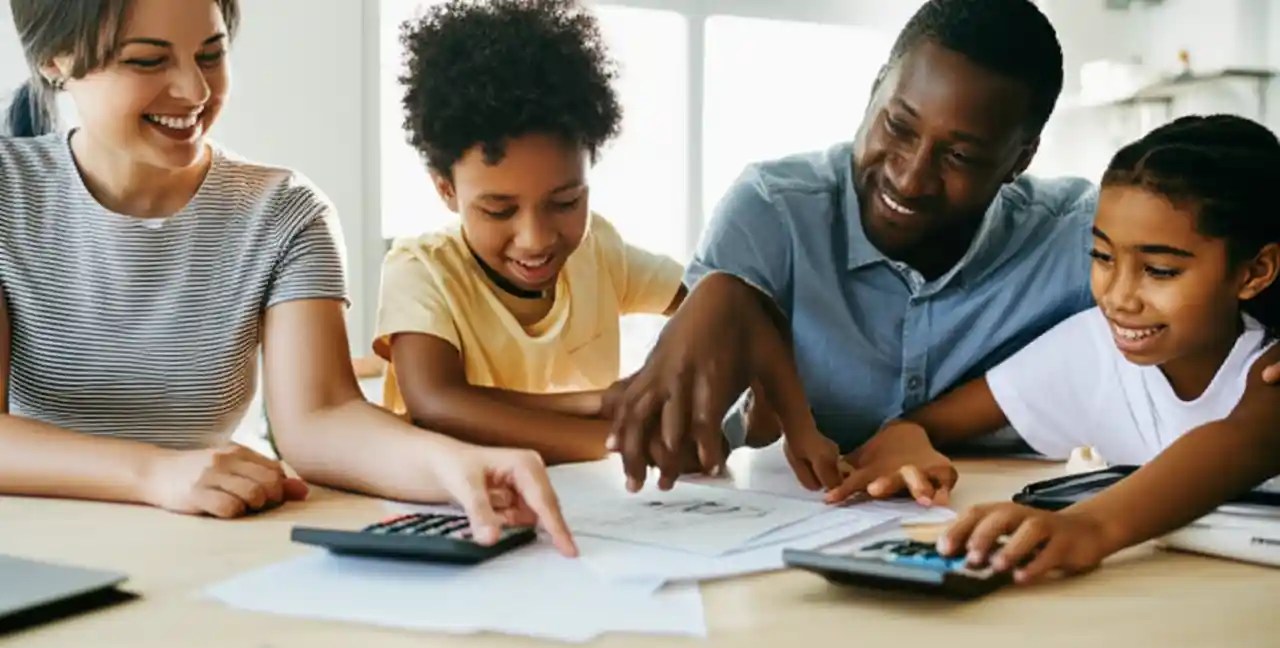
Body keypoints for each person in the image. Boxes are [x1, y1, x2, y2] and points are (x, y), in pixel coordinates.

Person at [603, 0, 1280, 491]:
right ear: (874, 94)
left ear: (1020, 158)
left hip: (986, 516)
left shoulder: (1081, 239)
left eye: (960, 154)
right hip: (805, 512)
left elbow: (1232, 243)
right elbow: (699, 433)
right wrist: (715, 316)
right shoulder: (773, 212)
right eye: (897, 126)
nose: (910, 174)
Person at [0, 0, 575, 556]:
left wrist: (451, 464)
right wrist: (153, 473)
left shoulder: (285, 212)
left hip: (208, 543)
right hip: (37, 548)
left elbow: (322, 418)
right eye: (147, 60)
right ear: (56, 58)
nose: (195, 92)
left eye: (210, 54)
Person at [829, 115, 1280, 582]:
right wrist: (904, 439)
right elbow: (925, 424)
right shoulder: (1091, 347)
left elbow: (1248, 440)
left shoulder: (1268, 362)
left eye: (1161, 270)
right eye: (1103, 257)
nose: (1119, 297)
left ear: (1255, 272)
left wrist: (1088, 526)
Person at [372, 0, 686, 465]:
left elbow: (712, 300)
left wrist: (667, 383)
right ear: (446, 189)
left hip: (594, 509)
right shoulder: (421, 271)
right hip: (458, 507)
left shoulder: (599, 250)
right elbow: (437, 405)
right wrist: (612, 424)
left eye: (565, 203)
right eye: (499, 210)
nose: (536, 239)